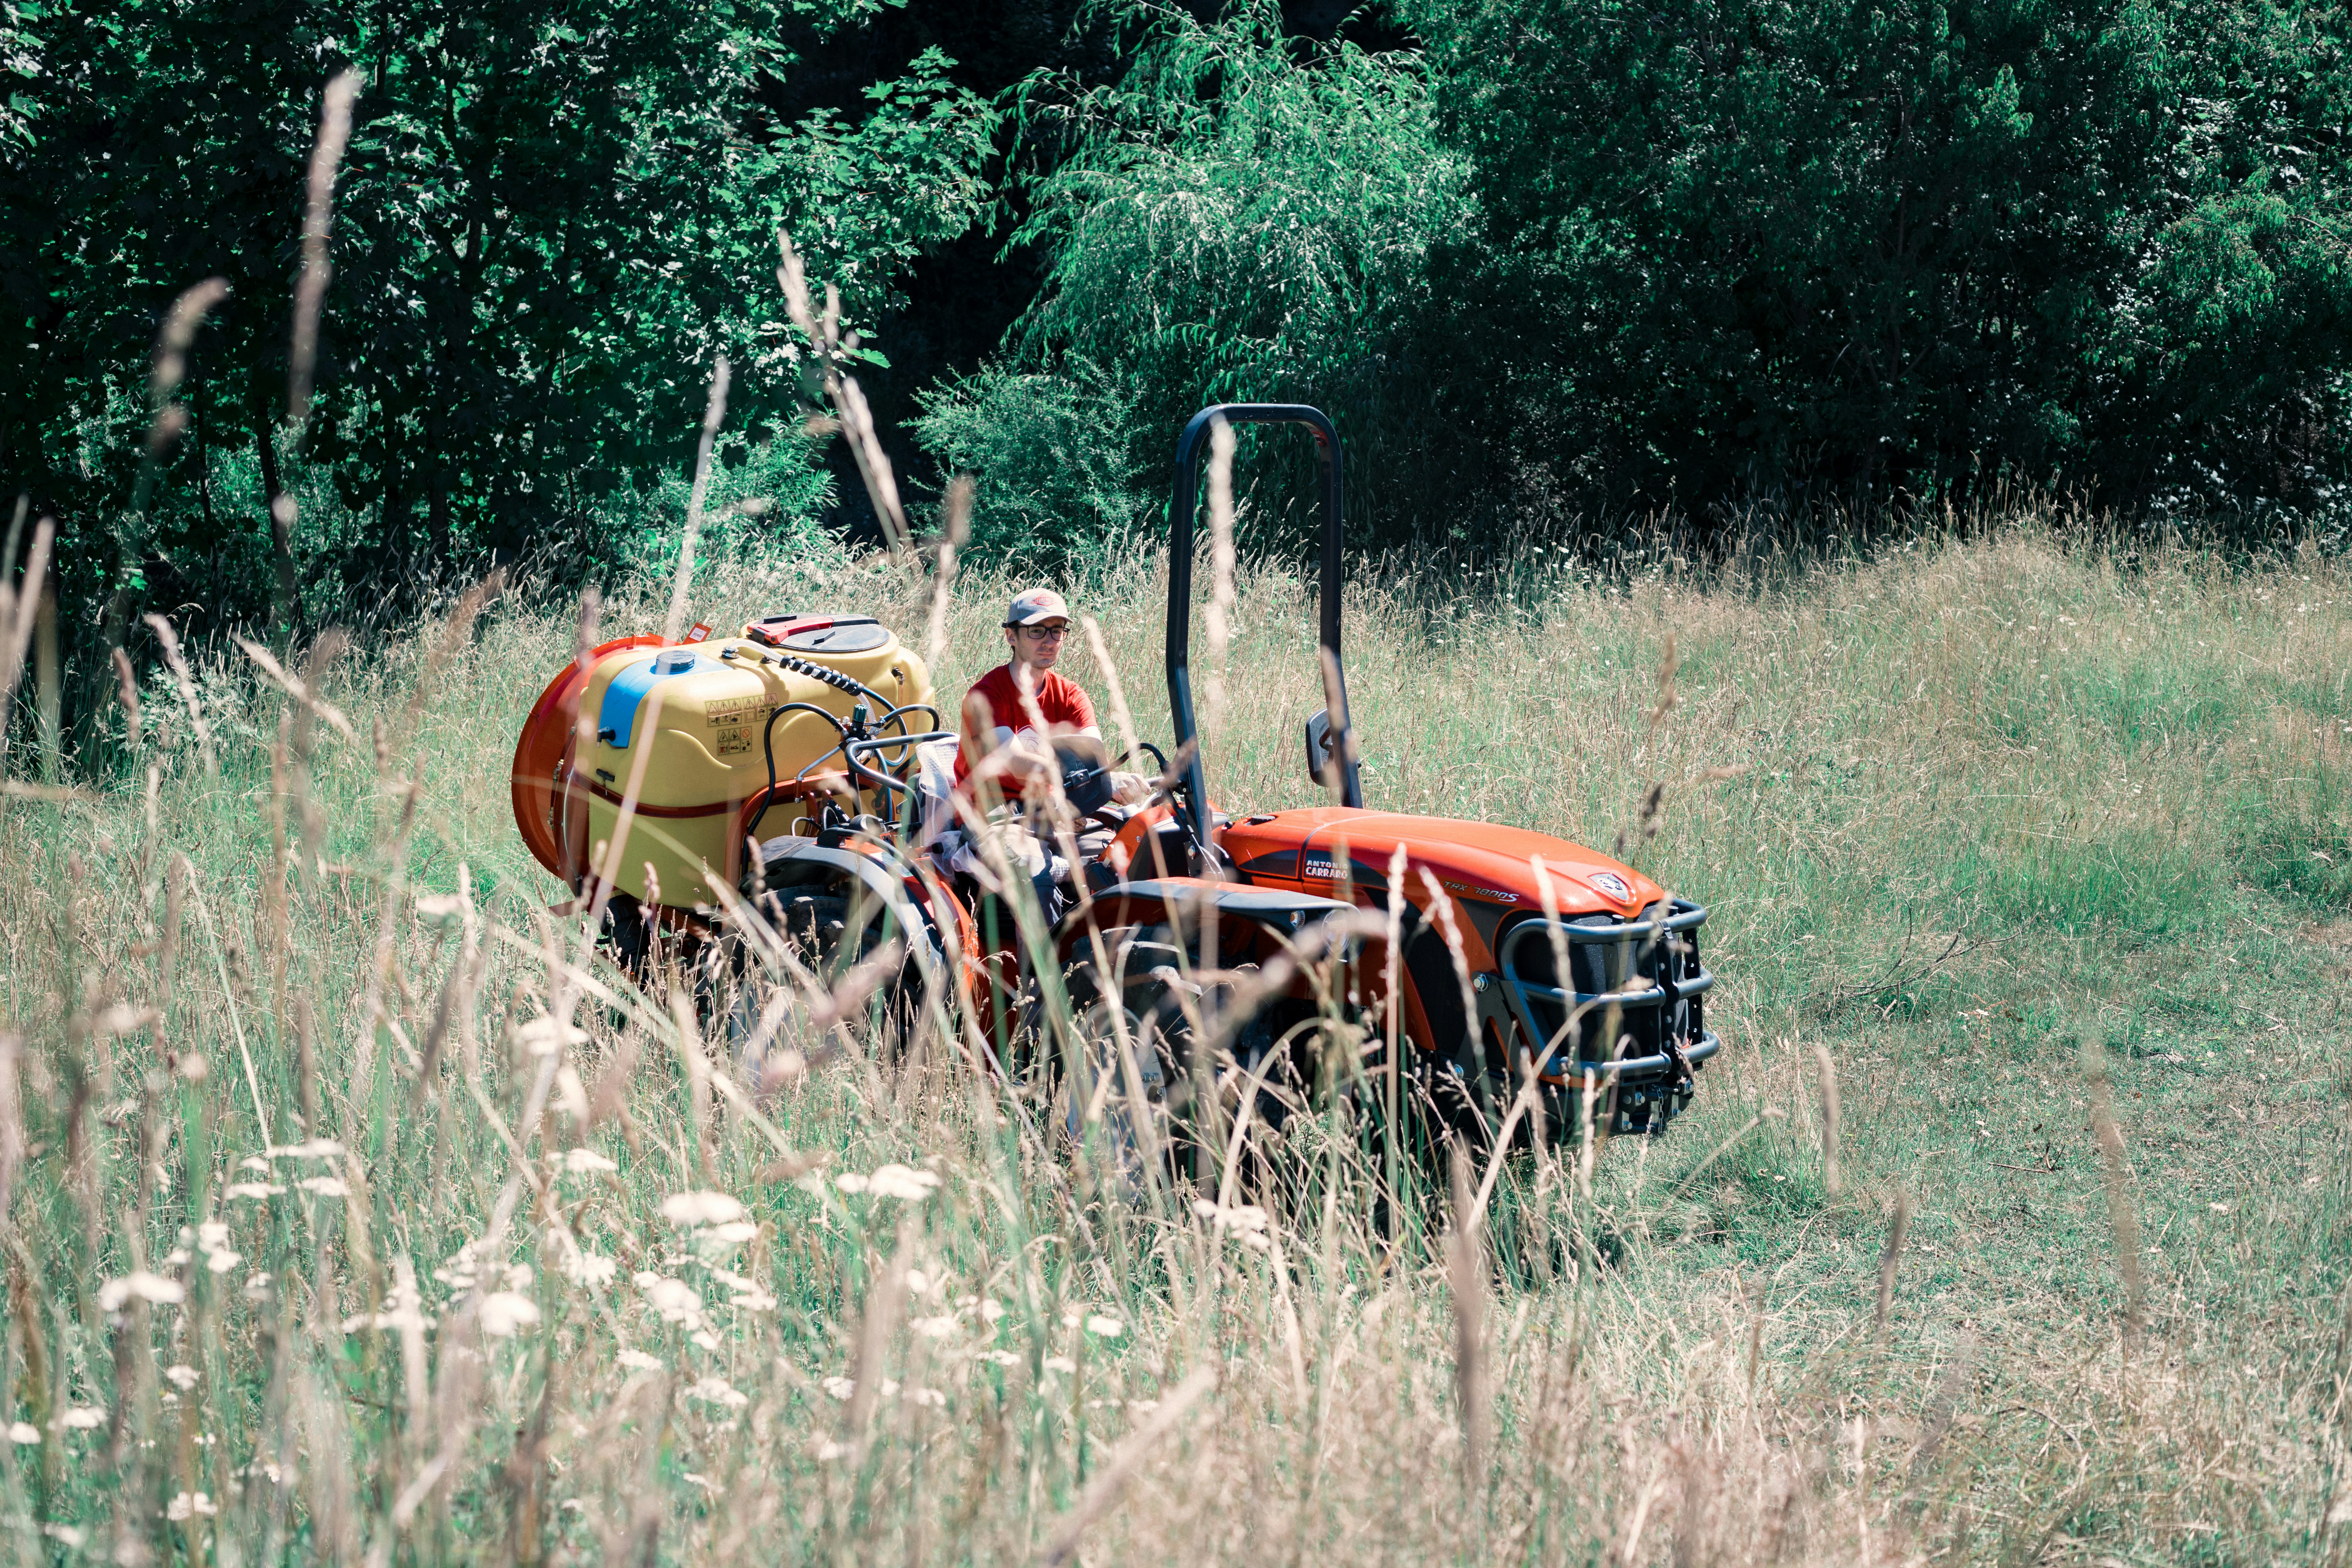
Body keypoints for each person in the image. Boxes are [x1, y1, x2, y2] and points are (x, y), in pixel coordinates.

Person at [954, 587, 1100, 797]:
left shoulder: (1071, 696)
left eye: (1057, 631)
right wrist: (1094, 776)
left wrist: (1102, 780)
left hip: (1051, 808)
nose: (1049, 642)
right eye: (1037, 630)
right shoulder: (985, 697)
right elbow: (1016, 762)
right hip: (990, 811)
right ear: (1011, 636)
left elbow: (1094, 754)